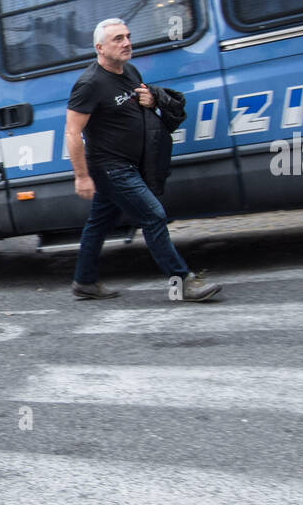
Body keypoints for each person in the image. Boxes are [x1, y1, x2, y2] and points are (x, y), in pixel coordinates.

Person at [66, 18, 221, 302]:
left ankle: (84, 282)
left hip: (131, 163)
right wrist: (82, 176)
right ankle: (181, 284)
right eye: (117, 39)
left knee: (99, 223)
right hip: (110, 167)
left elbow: (138, 103)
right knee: (153, 215)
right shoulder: (89, 84)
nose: (126, 43)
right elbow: (72, 132)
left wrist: (150, 100)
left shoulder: (130, 71)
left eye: (127, 36)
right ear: (100, 48)